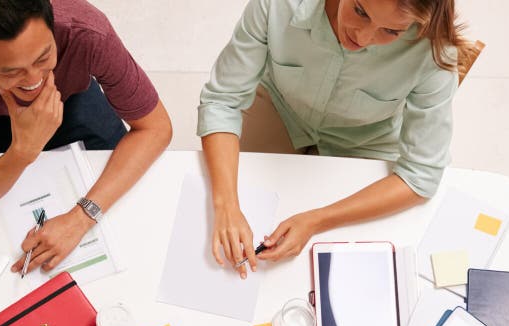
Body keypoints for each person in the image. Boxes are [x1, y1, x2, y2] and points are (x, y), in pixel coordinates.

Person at [198, 0, 464, 276]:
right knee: (222, 203)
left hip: (367, 137)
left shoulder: (434, 50)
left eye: (391, 31)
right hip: (281, 107)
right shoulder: (278, 4)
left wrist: (317, 220)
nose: (362, 37)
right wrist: (226, 204)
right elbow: (222, 102)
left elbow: (420, 176)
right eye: (360, 11)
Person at [0, 0, 172, 272]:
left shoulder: (86, 31)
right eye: (10, 71)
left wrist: (81, 218)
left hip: (72, 99)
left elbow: (156, 128)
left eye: (43, 58)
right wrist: (23, 152)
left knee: (130, 222)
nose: (33, 80)